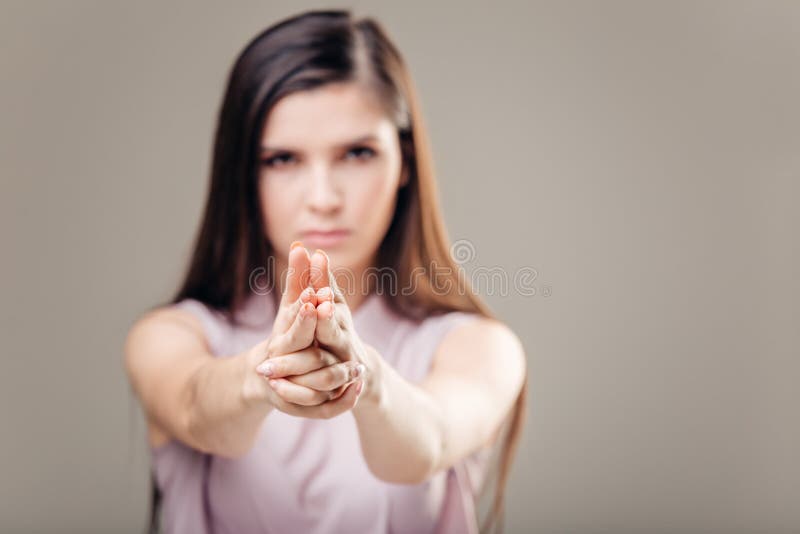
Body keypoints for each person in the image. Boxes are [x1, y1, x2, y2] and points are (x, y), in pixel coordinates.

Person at [124, 9, 528, 534]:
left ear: (404, 163)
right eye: (282, 159)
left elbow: (427, 444)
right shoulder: (172, 336)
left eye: (357, 153)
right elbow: (197, 409)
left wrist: (365, 375)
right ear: (242, 174)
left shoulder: (479, 347)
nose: (323, 199)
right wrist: (265, 373)